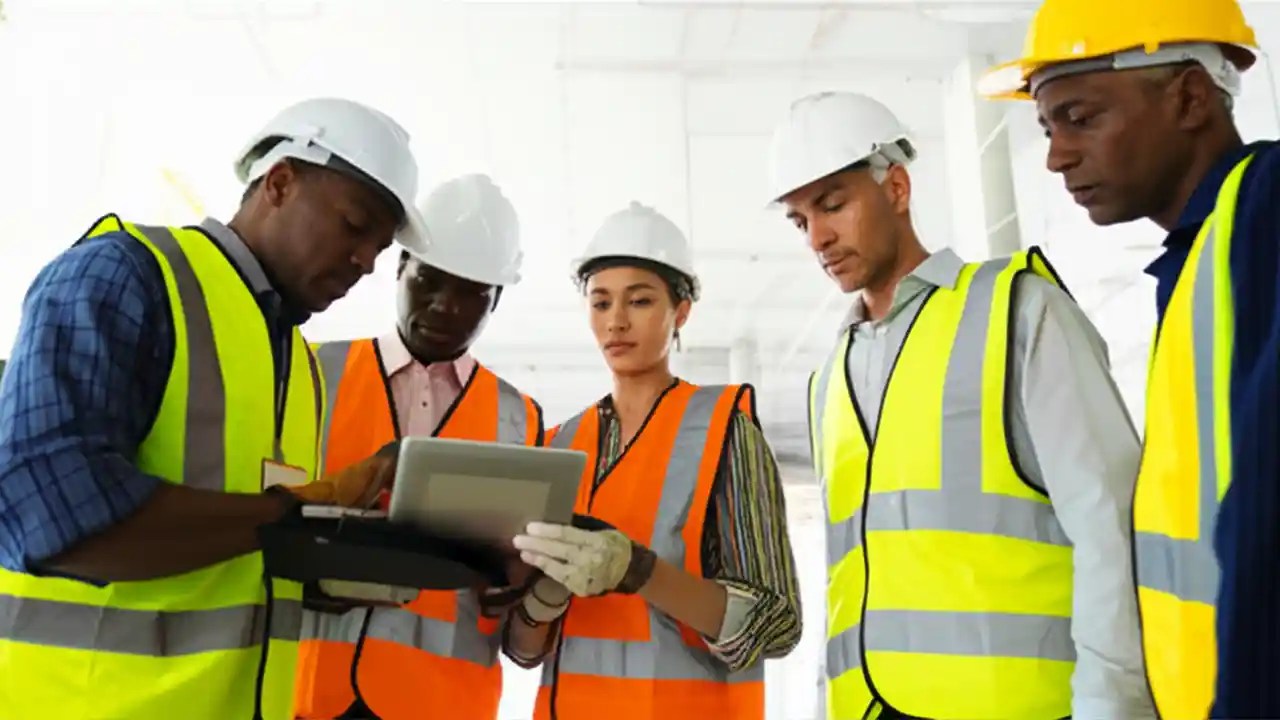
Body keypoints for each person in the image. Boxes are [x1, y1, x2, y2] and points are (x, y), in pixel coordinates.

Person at [0, 97, 429, 720]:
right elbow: (49, 511)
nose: (366, 262)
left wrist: (327, 565)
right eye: (353, 225)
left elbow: (235, 551)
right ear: (279, 183)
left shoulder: (300, 364)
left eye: (381, 248)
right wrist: (292, 515)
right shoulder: (126, 275)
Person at [766, 91, 1154, 720]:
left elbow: (1111, 530)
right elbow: (847, 577)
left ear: (895, 188)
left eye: (833, 204)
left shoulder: (1018, 312)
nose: (819, 237)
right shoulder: (828, 379)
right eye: (799, 220)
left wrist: (1112, 709)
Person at [980, 2, 1279, 717]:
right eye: (1048, 128)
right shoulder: (1201, 261)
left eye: (1080, 117)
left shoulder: (1266, 212)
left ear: (1189, 98)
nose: (1057, 155)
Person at [501, 202, 802, 719]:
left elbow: (775, 623)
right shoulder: (557, 446)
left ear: (680, 311)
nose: (616, 321)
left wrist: (641, 572)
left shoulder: (725, 431)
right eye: (600, 303)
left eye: (639, 301)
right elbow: (524, 651)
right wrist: (542, 600)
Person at [292, 174, 544, 720]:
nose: (444, 306)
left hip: (440, 701)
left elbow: (518, 571)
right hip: (309, 692)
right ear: (399, 270)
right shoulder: (312, 374)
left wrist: (520, 583)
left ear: (496, 299)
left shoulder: (519, 417)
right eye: (428, 281)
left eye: (471, 293)